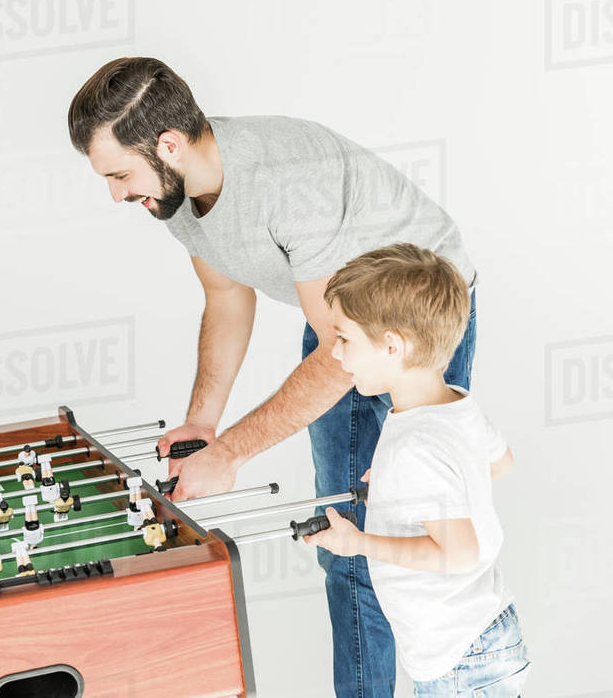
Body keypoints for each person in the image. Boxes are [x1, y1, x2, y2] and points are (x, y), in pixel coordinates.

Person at [67, 57, 478, 697]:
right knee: (343, 545)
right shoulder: (176, 195)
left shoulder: (288, 181)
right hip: (344, 324)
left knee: (385, 543)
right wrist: (205, 425)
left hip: (413, 332)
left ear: (168, 145)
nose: (117, 194)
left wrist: (231, 453)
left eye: (120, 174)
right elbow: (228, 299)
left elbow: (338, 358)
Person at [305, 243, 529, 696]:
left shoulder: (415, 445)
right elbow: (499, 463)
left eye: (345, 339)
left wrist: (358, 543)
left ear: (392, 345)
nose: (335, 355)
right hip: (481, 638)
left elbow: (459, 554)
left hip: (461, 660)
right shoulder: (453, 402)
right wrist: (402, 490)